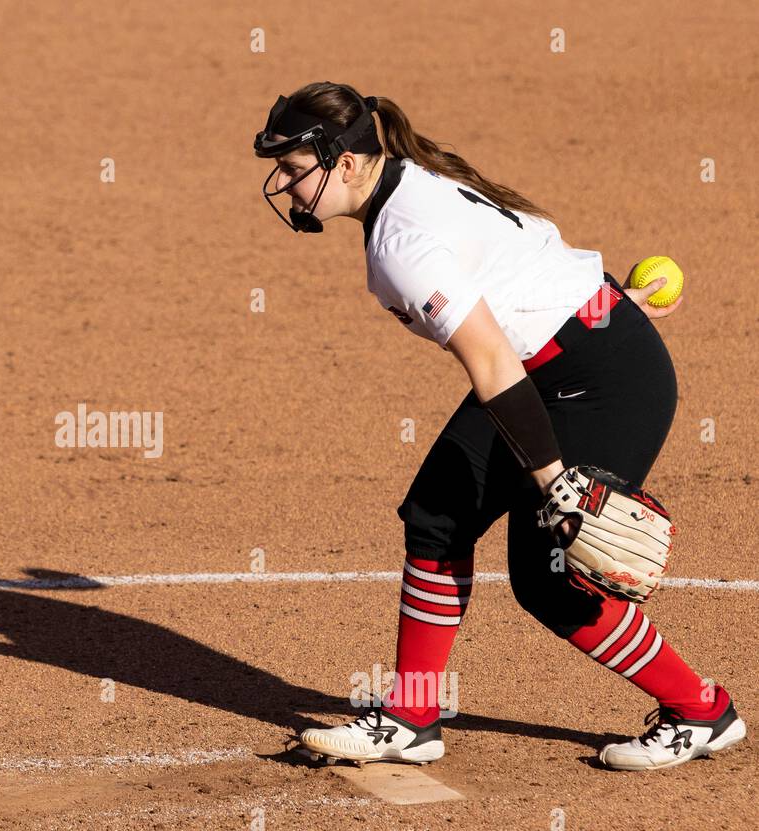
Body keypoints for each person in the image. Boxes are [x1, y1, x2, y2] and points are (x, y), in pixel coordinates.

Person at [253, 81, 745, 771]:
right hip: (581, 344)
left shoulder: (404, 242)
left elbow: (489, 360)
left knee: (544, 575)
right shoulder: (413, 177)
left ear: (347, 161)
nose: (283, 182)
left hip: (598, 381)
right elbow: (524, 261)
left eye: (294, 166)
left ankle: (701, 711)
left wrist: (558, 486)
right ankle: (411, 718)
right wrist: (614, 309)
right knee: (438, 515)